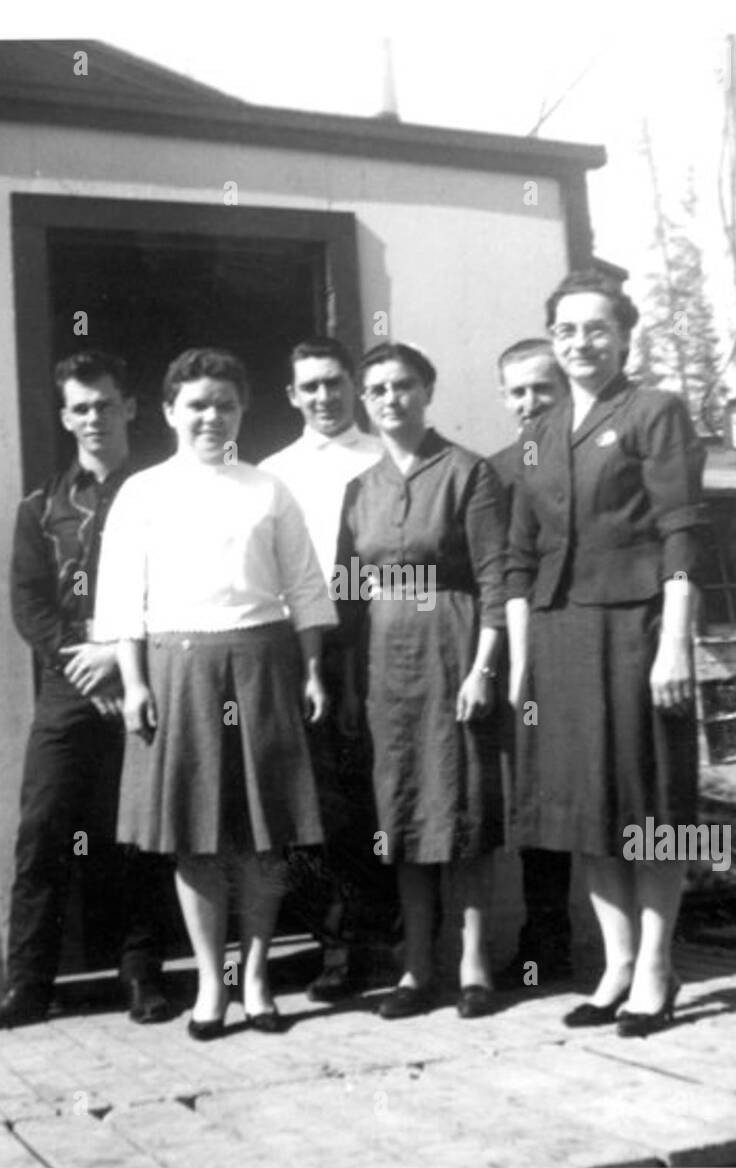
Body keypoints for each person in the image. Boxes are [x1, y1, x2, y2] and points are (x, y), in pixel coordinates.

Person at [93, 347, 336, 1040]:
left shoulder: (268, 489)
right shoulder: (142, 491)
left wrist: (314, 670)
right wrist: (135, 683)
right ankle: (210, 983)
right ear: (170, 411)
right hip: (178, 669)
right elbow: (121, 600)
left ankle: (255, 977)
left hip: (263, 663)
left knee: (264, 840)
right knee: (197, 840)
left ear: (241, 411)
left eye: (224, 404)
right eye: (197, 404)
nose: (211, 416)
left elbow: (306, 587)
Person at [506, 269, 708, 1038]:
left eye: (596, 329)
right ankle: (616, 965)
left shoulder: (654, 412)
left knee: (649, 800)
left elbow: (682, 528)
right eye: (565, 330)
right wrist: (521, 660)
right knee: (585, 805)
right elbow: (519, 560)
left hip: (636, 627)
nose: (580, 343)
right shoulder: (537, 436)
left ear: (624, 335)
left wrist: (675, 643)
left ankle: (657, 966)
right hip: (558, 634)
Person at [0, 351, 170, 1032]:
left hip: (144, 675)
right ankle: (28, 984)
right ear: (65, 417)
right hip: (69, 684)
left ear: (131, 408)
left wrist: (117, 657)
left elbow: (178, 586)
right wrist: (82, 664)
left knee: (138, 832)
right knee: (45, 827)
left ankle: (142, 973)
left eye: (105, 404)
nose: (94, 417)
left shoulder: (161, 491)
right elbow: (28, 602)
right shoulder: (41, 505)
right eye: (80, 407)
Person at [336, 342, 506, 1020]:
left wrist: (483, 667)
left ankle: (472, 967)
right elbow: (347, 591)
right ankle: (415, 969)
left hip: (452, 645)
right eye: (375, 389)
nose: (389, 399)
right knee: (401, 809)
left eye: (403, 385)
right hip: (384, 659)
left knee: (457, 806)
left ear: (426, 391)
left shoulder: (468, 472)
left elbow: (496, 577)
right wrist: (346, 680)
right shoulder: (360, 488)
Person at [260, 338, 396, 1003]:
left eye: (334, 383)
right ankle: (336, 947)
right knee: (314, 805)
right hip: (299, 649)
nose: (323, 396)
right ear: (291, 395)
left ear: (355, 386)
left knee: (381, 791)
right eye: (308, 386)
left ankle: (396, 941)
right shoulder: (271, 472)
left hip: (377, 635)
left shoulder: (388, 453)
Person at [487, 340, 573, 989]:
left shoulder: (596, 456)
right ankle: (542, 940)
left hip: (586, 637)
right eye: (515, 392)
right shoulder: (494, 471)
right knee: (533, 798)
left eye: (540, 389)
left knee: (595, 791)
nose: (528, 403)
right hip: (520, 649)